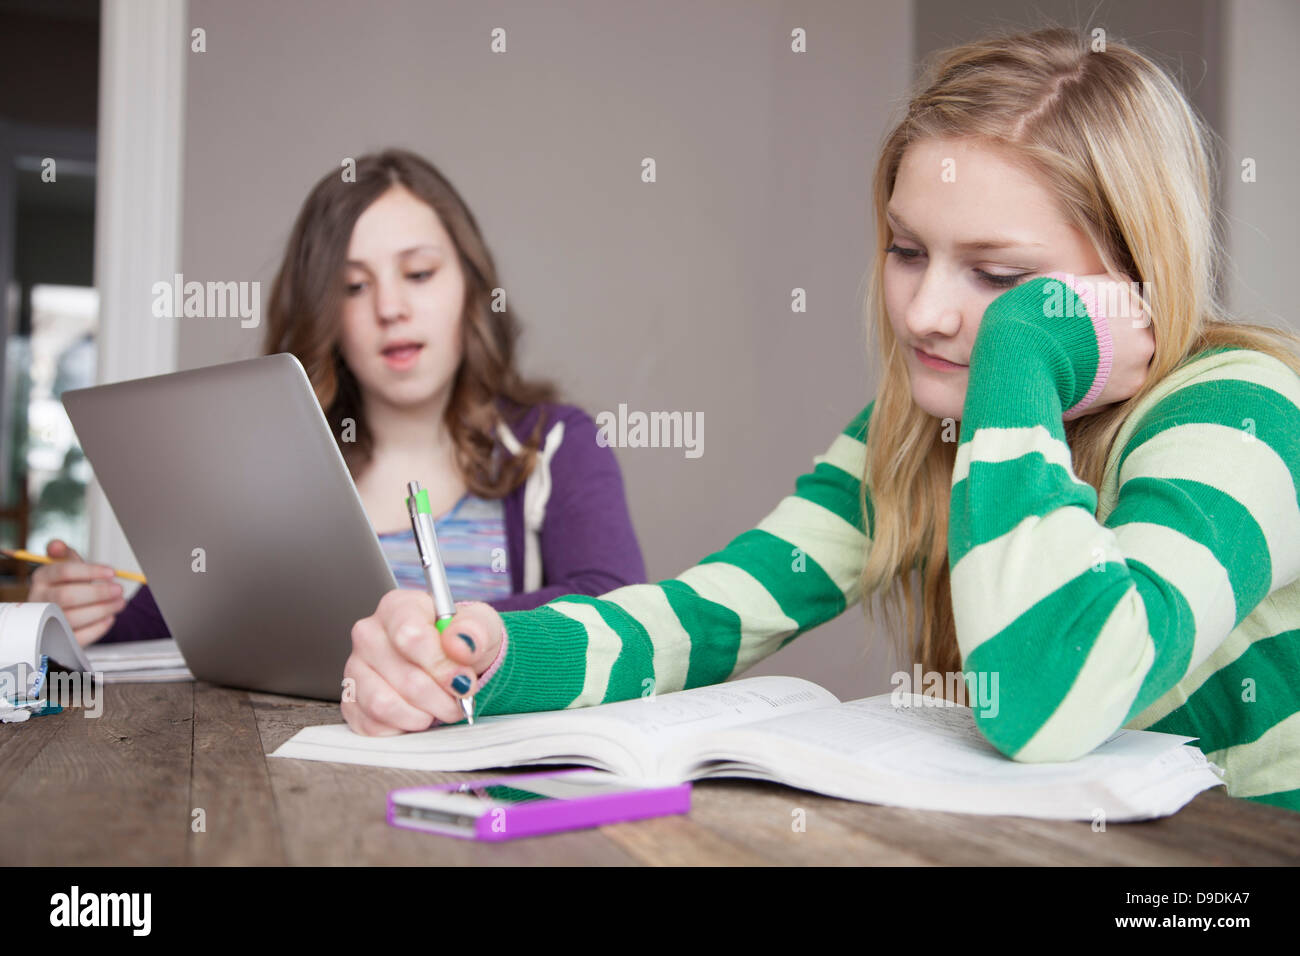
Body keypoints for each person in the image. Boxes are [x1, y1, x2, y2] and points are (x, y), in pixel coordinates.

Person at [345, 27, 1300, 812]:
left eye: (1001, 279)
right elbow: (710, 614)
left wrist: (1023, 347)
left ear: (1132, 275)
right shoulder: (914, 433)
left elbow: (1054, 699)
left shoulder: (1241, 414)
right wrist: (493, 654)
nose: (926, 313)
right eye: (906, 250)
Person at [28, 149, 646, 645]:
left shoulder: (558, 445)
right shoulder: (265, 473)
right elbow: (153, 630)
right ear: (327, 315)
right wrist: (64, 618)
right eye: (354, 286)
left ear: (470, 286)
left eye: (420, 273)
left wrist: (423, 629)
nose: (390, 308)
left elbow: (615, 606)